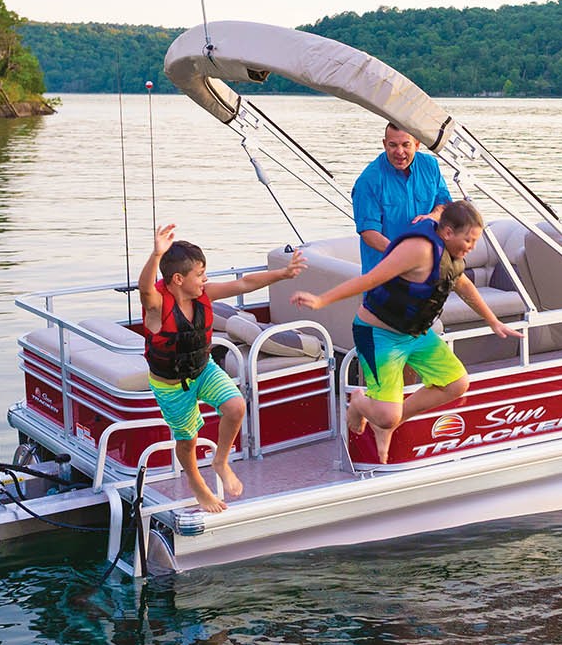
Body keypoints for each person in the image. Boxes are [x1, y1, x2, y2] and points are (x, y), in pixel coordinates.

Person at [290, 200, 520, 463]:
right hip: (378, 335)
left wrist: (493, 321)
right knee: (387, 413)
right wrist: (322, 301)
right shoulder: (418, 250)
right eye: (469, 240)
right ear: (447, 233)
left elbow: (464, 285)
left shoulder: (452, 255)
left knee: (456, 383)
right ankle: (359, 402)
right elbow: (370, 279)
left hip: (415, 335)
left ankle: (387, 425)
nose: (472, 247)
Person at [140, 224, 307, 512]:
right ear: (178, 279)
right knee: (187, 440)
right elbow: (144, 288)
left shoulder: (203, 296)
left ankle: (220, 460)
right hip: (171, 383)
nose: (205, 279)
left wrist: (283, 274)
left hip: (203, 369)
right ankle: (195, 481)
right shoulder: (157, 307)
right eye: (200, 274)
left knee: (236, 406)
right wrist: (156, 255)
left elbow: (243, 284)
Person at [352, 123, 454, 274]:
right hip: (383, 277)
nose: (399, 152)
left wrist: (433, 216)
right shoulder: (368, 181)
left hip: (427, 272)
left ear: (417, 144)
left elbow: (445, 204)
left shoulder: (431, 165)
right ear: (384, 144)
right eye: (393, 145)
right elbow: (369, 233)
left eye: (406, 145)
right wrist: (401, 255)